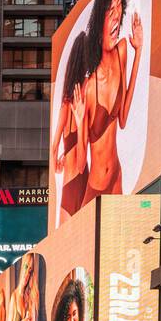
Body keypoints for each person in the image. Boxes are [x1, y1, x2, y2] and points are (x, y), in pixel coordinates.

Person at [79, 0, 143, 204]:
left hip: (117, 176)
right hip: (94, 187)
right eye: (110, 10)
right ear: (98, 22)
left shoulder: (123, 52)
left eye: (119, 8)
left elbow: (124, 118)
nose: (117, 17)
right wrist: (80, 116)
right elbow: (83, 150)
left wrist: (140, 52)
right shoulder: (89, 86)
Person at [51, 31, 89, 220]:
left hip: (70, 181)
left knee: (67, 240)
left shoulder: (67, 102)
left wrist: (56, 164)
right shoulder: (86, 90)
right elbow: (81, 162)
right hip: (79, 178)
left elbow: (53, 145)